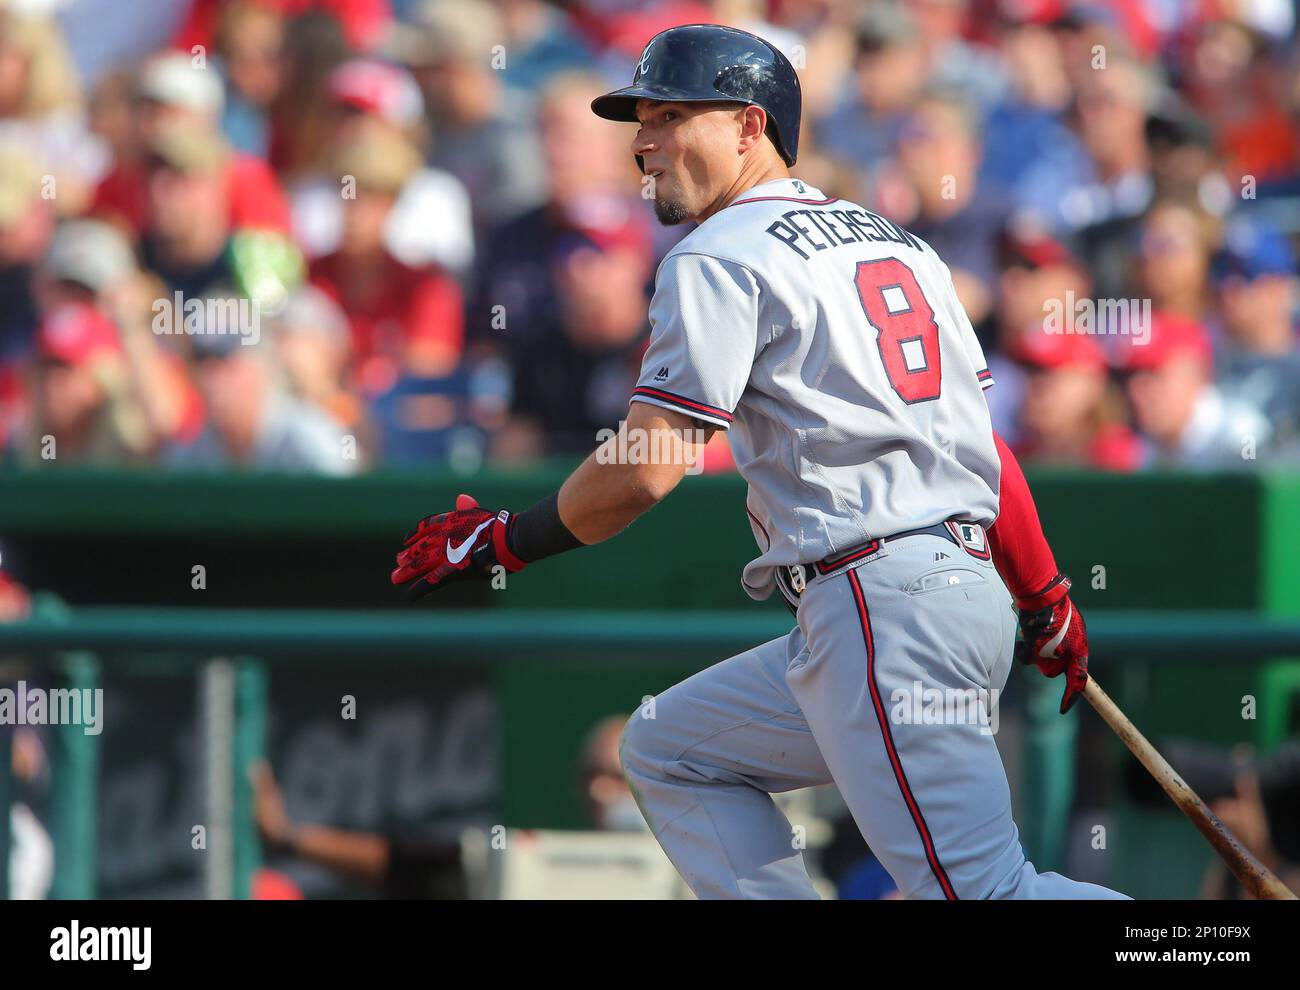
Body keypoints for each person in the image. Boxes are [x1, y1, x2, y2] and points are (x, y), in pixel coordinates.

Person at [390, 24, 1125, 900]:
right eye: (640, 120)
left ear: (749, 126)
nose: (643, 142)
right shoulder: (898, 244)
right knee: (669, 753)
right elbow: (984, 446)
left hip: (880, 598)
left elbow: (647, 465)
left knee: (984, 894)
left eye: (669, 115)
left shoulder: (717, 253)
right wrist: (1040, 592)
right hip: (933, 592)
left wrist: (509, 539)